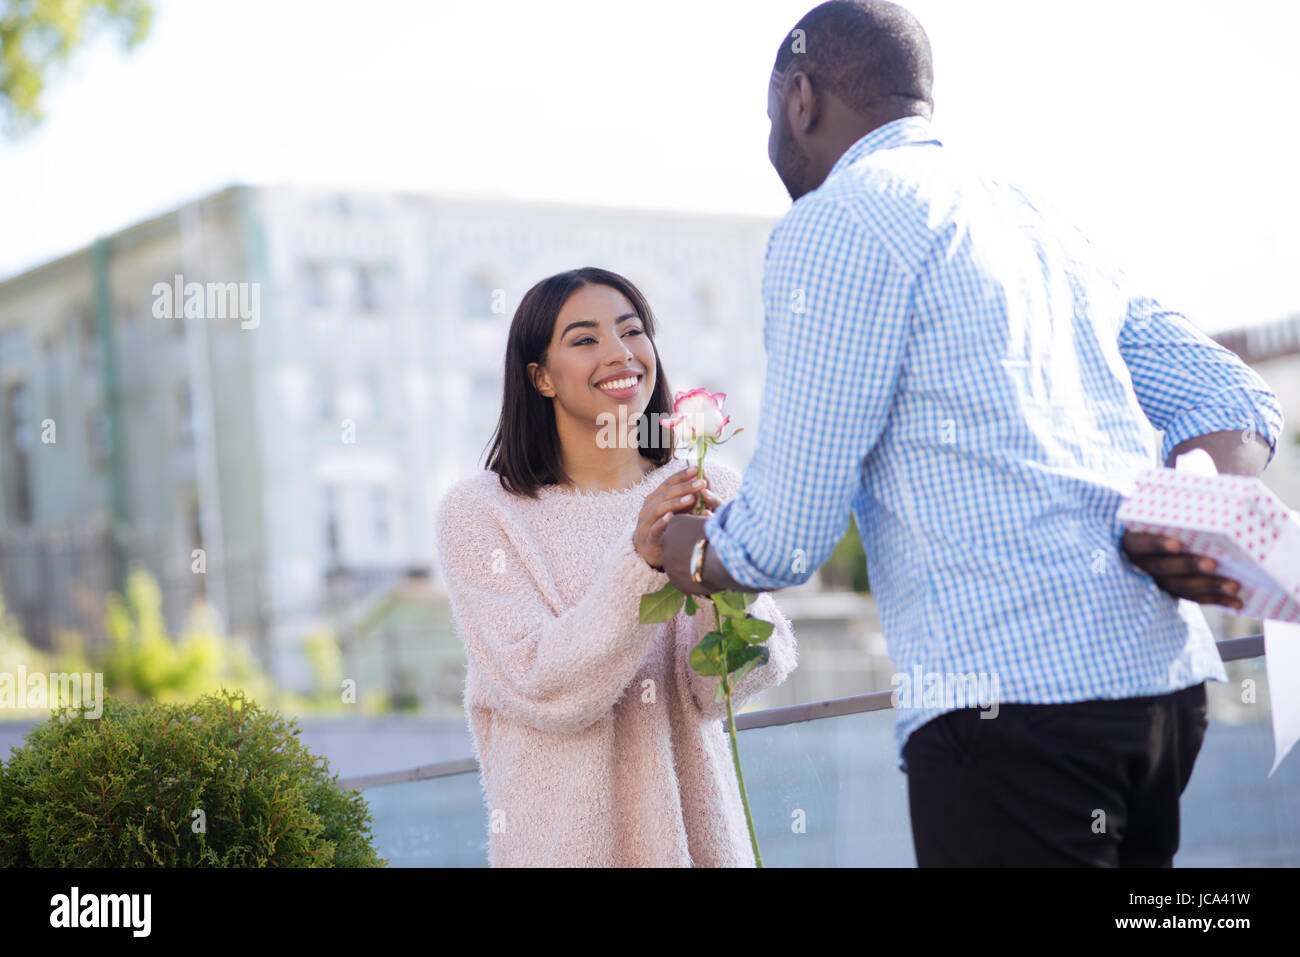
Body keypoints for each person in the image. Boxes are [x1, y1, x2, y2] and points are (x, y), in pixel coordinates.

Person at [660, 0, 1283, 866]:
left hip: (1011, 710)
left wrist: (690, 551)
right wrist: (1199, 492)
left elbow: (784, 535)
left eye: (772, 116)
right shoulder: (1038, 220)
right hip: (1162, 694)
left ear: (800, 96)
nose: (774, 141)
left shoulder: (838, 220)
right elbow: (1229, 394)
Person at [434, 266, 797, 867]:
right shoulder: (481, 514)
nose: (619, 353)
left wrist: (722, 582)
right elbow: (541, 687)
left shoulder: (707, 486)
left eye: (632, 331)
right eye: (584, 339)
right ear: (541, 377)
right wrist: (642, 562)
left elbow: (727, 688)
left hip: (699, 844)